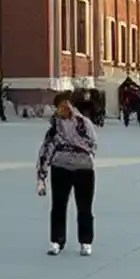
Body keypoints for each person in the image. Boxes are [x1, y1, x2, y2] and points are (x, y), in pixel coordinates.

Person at [36, 91, 98, 256]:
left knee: (63, 206)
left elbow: (46, 152)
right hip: (80, 167)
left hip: (66, 167)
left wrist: (42, 177)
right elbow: (93, 145)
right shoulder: (83, 124)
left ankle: (61, 241)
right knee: (78, 206)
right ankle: (80, 242)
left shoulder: (60, 126)